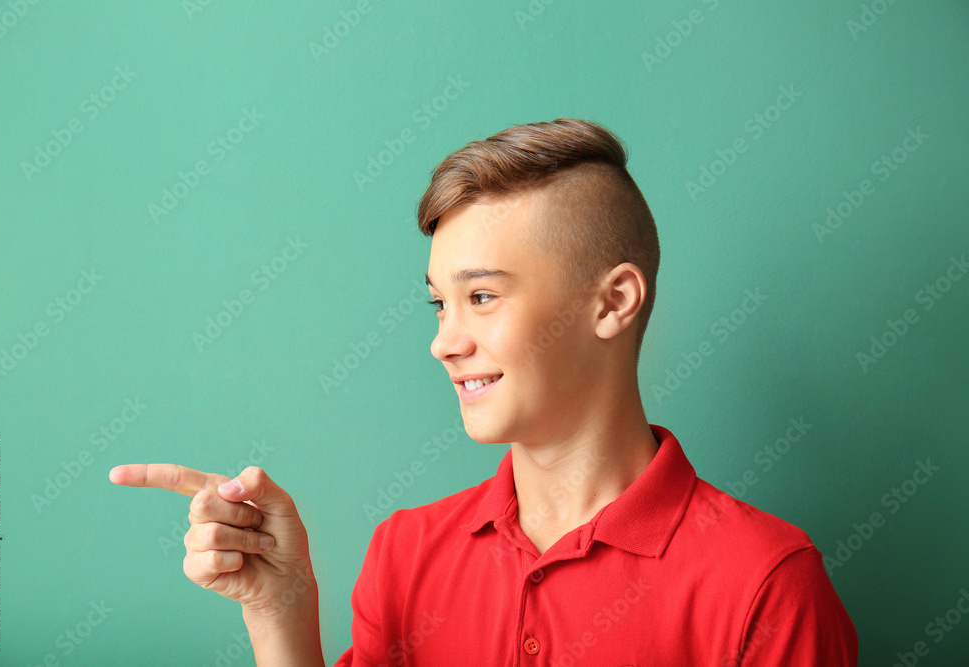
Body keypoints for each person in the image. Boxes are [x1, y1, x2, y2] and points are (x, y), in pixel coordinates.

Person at [110, 118, 858, 665]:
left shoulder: (767, 585)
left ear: (613, 302)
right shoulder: (405, 555)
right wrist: (281, 612)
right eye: (440, 303)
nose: (445, 340)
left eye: (483, 297)